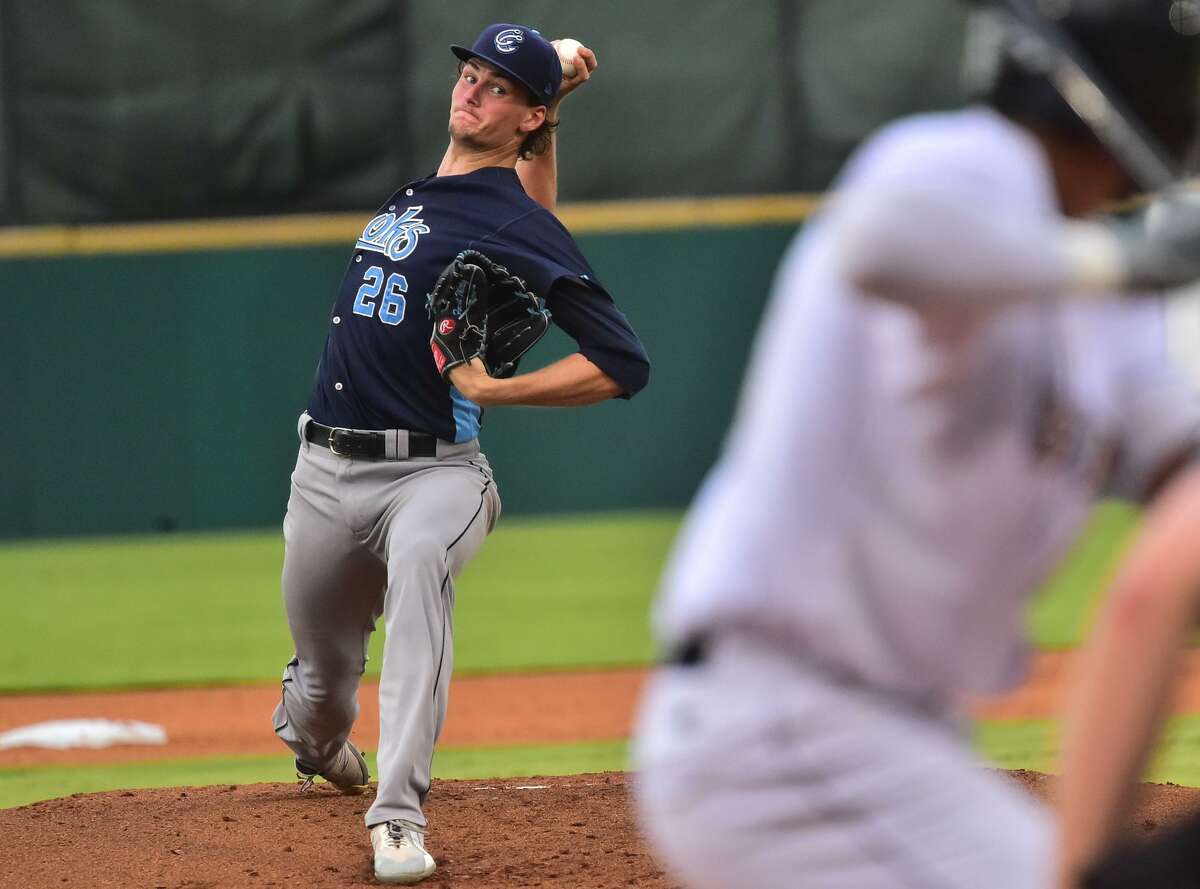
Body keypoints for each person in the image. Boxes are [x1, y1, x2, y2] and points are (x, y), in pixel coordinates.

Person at [632, 2, 1200, 888]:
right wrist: (1117, 262)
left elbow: (1179, 472)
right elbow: (879, 239)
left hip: (896, 736)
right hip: (785, 721)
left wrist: (1115, 272)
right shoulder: (970, 161)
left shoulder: (1105, 311)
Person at [270, 23, 649, 885]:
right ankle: (315, 738)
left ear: (527, 118)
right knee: (321, 694)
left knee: (419, 573)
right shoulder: (427, 191)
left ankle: (398, 817)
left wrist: (496, 390)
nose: (471, 89)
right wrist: (549, 84)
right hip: (322, 470)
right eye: (470, 74)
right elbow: (518, 198)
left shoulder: (510, 217)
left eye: (496, 85)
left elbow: (622, 360)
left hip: (435, 472)